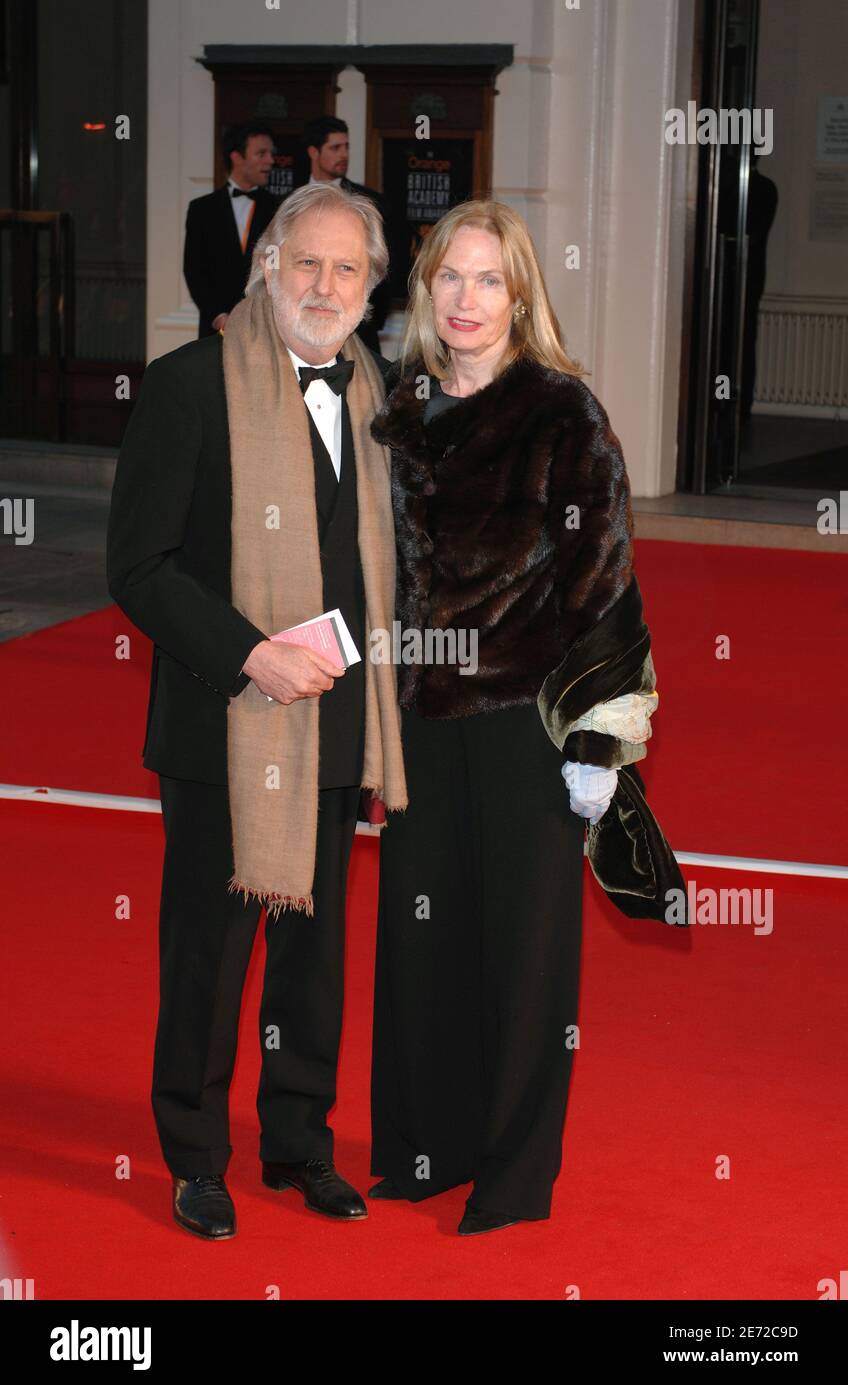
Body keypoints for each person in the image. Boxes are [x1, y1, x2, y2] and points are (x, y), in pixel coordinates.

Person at [107, 182, 407, 1241]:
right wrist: (250, 656)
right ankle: (194, 1152)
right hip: (219, 723)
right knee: (209, 948)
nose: (325, 285)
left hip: (333, 723)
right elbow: (137, 566)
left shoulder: (380, 399)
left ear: (370, 292)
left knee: (310, 951)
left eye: (348, 269)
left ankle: (298, 1141)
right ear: (266, 265)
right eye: (307, 261)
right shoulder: (188, 387)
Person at [367, 199, 666, 1235]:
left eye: (487, 279)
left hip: (526, 726)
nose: (465, 299)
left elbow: (603, 587)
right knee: (420, 941)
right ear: (425, 288)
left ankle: (511, 1173)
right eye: (449, 276)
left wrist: (599, 744)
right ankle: (422, 1147)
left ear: (519, 295)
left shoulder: (559, 413)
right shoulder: (397, 410)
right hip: (417, 718)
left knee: (525, 953)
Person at [298, 115, 393, 352]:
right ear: (313, 152)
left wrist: (368, 317)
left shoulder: (371, 203)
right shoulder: (288, 203)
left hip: (357, 331)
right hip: (297, 329)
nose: (344, 155)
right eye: (335, 148)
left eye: (347, 147)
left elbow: (386, 265)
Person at [183, 121, 280, 338]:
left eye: (270, 154)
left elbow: (281, 270)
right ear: (237, 157)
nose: (270, 161)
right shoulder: (201, 209)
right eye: (261, 154)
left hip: (267, 330)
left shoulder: (280, 209)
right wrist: (218, 316)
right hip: (216, 332)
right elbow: (194, 271)